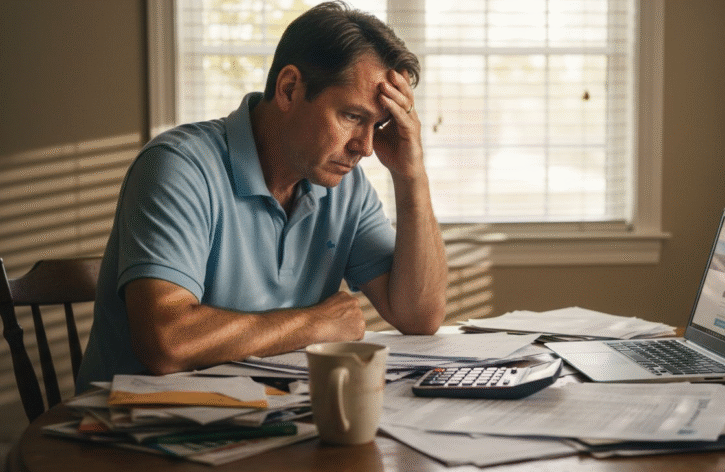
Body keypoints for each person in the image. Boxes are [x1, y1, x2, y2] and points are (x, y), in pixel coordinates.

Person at [75, 1, 447, 391]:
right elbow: (166, 343)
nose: (365, 147)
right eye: (352, 116)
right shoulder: (178, 167)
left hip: (267, 414)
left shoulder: (345, 186)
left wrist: (411, 176)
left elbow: (419, 317)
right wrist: (314, 323)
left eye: (378, 125)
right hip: (135, 423)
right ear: (289, 89)